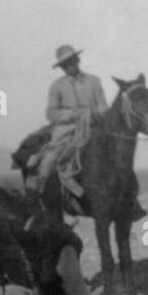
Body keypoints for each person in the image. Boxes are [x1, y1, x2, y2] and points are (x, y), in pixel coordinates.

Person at [28, 44, 108, 204]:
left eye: (71, 62)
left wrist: (95, 113)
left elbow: (104, 106)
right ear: (62, 68)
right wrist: (73, 115)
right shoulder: (57, 86)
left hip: (93, 129)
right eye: (65, 65)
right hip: (66, 134)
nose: (69, 67)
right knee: (48, 163)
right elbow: (51, 113)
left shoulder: (94, 81)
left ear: (77, 60)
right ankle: (41, 204)